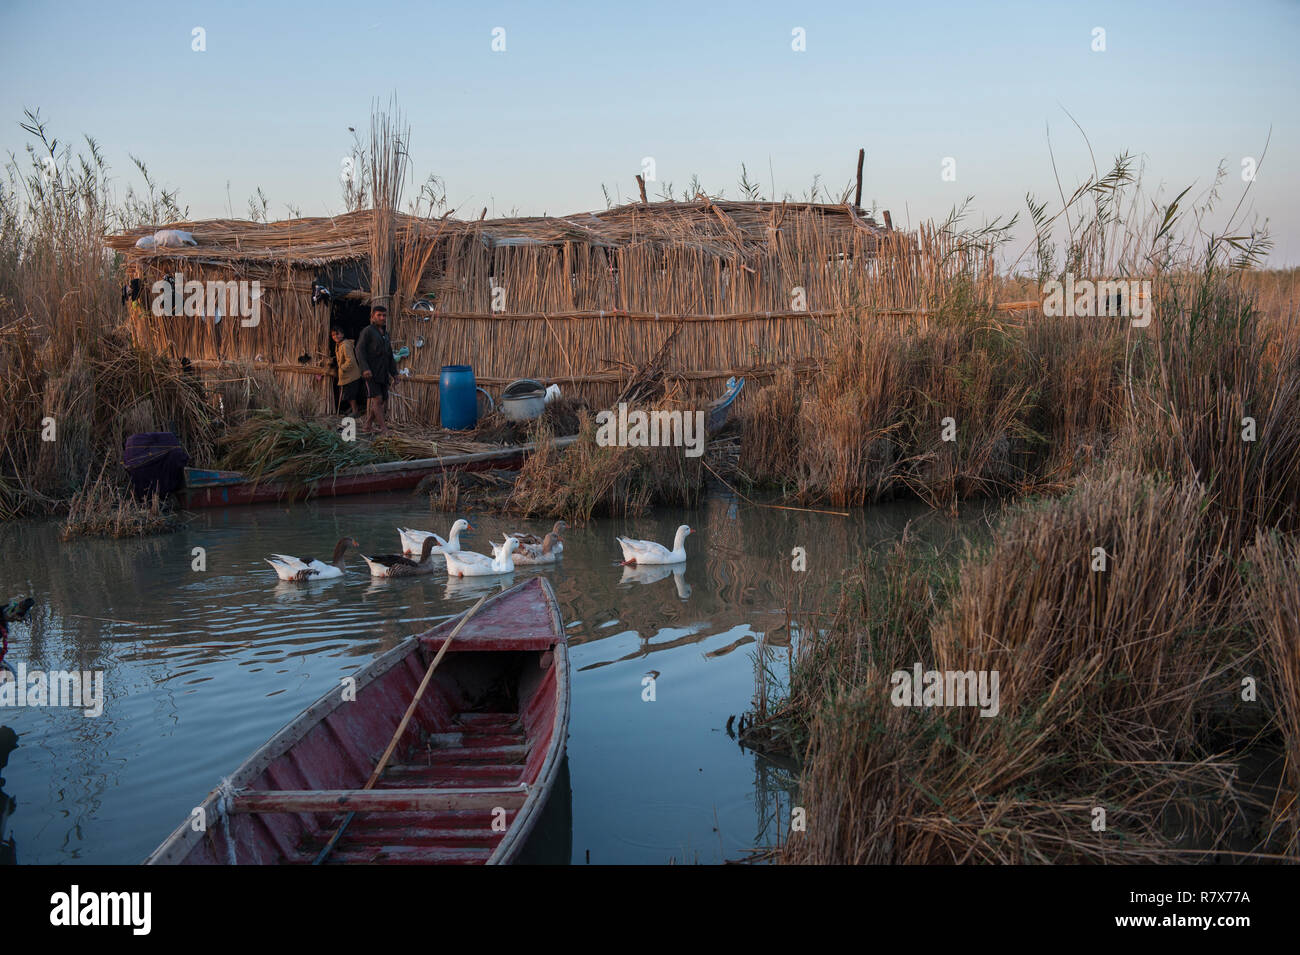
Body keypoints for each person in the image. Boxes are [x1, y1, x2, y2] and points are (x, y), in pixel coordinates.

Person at [355, 304, 399, 435]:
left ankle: (367, 425)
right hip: (371, 373)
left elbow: (389, 355)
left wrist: (395, 374)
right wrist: (365, 368)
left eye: (384, 315)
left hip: (383, 372)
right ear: (372, 317)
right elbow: (359, 350)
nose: (382, 318)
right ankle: (384, 428)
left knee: (383, 400)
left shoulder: (385, 334)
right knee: (378, 399)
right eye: (379, 315)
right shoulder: (368, 331)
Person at [331, 325, 364, 419]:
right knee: (349, 394)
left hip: (351, 375)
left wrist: (341, 368)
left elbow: (350, 361)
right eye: (333, 335)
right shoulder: (338, 345)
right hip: (347, 375)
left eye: (337, 334)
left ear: (342, 334)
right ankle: (353, 409)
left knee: (351, 395)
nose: (335, 336)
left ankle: (355, 411)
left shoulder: (345, 345)